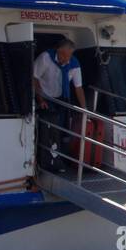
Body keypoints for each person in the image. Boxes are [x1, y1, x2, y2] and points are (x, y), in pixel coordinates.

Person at [32, 38, 87, 172]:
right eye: (66, 56)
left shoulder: (73, 63)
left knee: (62, 129)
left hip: (62, 99)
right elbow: (34, 77)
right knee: (49, 131)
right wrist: (40, 99)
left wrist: (85, 108)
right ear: (59, 51)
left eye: (70, 56)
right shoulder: (46, 58)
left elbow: (78, 88)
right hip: (45, 98)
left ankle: (59, 160)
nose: (68, 59)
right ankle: (46, 160)